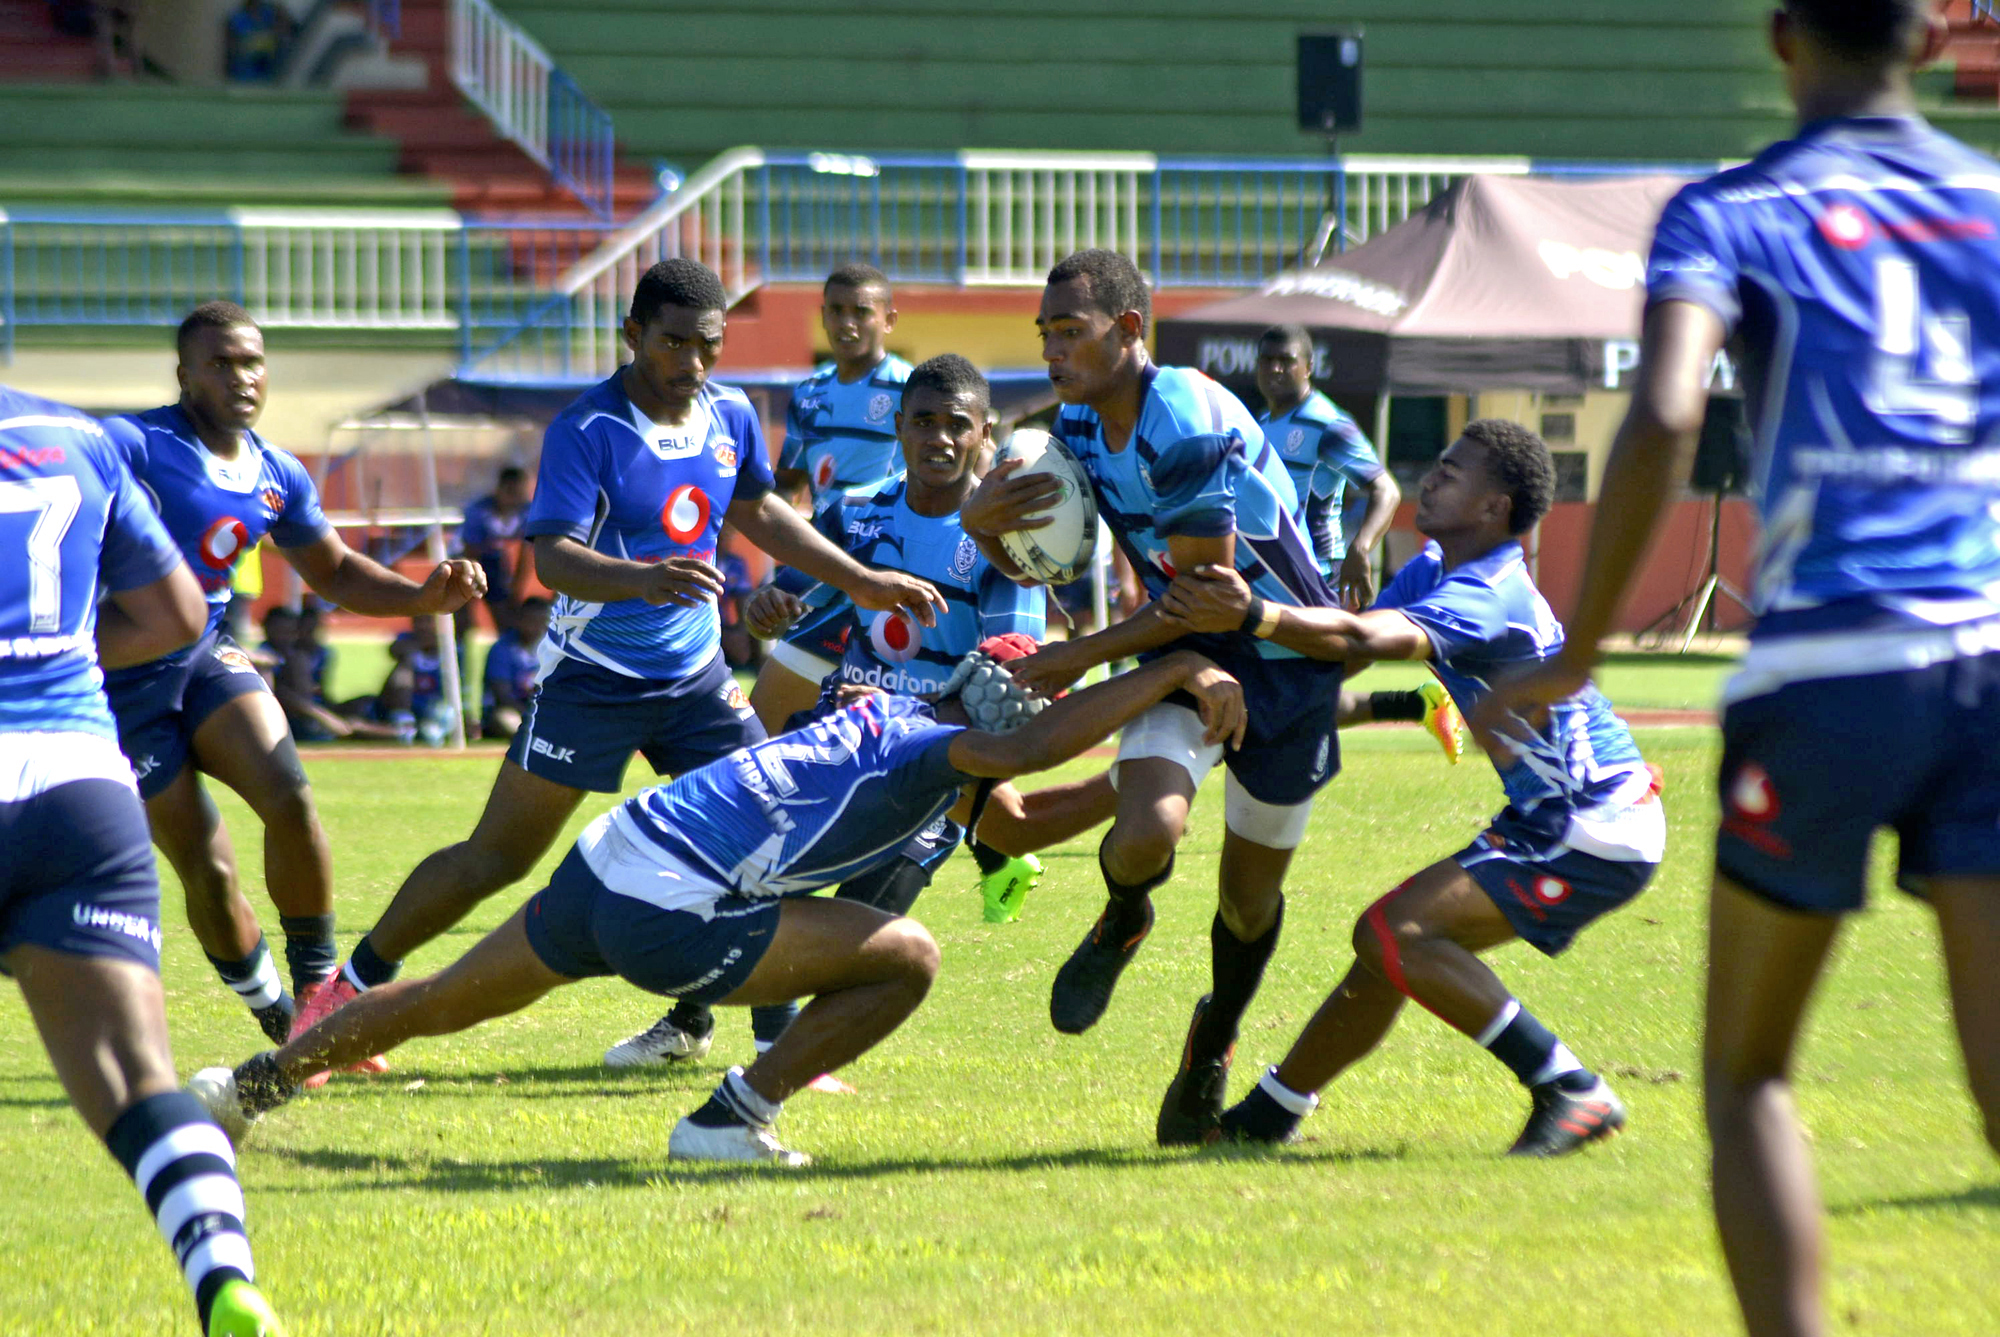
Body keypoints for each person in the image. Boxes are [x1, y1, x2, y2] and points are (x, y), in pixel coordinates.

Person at [1478, 4, 2000, 1331]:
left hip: (1830, 667)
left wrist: (1581, 648)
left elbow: (1664, 413)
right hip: (1989, 661)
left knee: (1752, 1078)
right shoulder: (1990, 202)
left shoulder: (1731, 211)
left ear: (1780, 37)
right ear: (1934, 41)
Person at [189, 641, 1246, 1167]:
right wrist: (1169, 674)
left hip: (613, 855)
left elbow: (1012, 816)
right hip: (666, 901)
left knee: (447, 999)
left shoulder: (903, 720)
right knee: (909, 954)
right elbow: (1017, 754)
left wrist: (1148, 773)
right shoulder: (946, 744)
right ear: (1002, 710)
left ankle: (247, 1086)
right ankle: (729, 1120)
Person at [290, 259, 946, 1073]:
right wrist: (645, 578)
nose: (693, 363)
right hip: (593, 681)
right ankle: (341, 996)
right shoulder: (588, 428)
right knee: (497, 857)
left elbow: (760, 511)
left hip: (700, 684)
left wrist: (860, 578)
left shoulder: (730, 414)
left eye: (708, 345)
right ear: (632, 335)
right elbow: (555, 557)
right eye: (674, 343)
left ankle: (767, 1045)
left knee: (769, 837)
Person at [1163, 421, 1661, 1156]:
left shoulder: (1493, 589)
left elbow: (1359, 642)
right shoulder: (1434, 569)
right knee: (1390, 950)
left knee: (1395, 930)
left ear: (1495, 506)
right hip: (1555, 816)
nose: (1430, 477)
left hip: (1593, 818)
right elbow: (1335, 655)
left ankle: (1570, 1086)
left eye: (1453, 472)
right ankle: (1271, 1112)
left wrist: (1251, 612)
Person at [960, 248, 1350, 1147]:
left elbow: (1203, 597)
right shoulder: (1080, 427)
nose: (1054, 351)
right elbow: (1033, 548)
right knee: (1142, 837)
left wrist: (1078, 656)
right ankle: (1125, 913)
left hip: (1283, 659)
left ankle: (1212, 1039)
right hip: (1183, 650)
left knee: (1248, 903)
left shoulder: (1184, 418)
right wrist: (983, 524)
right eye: (1045, 334)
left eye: (1072, 331)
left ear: (1128, 331)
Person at [604, 354, 1050, 1070]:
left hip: (929, 775)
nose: (939, 438)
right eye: (925, 421)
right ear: (899, 427)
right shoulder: (857, 512)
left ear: (985, 434)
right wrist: (770, 605)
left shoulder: (1003, 546)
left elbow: (1009, 687)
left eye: (957, 425)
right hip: (838, 751)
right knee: (747, 876)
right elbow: (788, 598)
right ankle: (691, 1022)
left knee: (855, 926)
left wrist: (905, 709)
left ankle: (786, 1068)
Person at [104, 302, 485, 1046]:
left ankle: (320, 994)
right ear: (184, 375)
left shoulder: (277, 472)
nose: (240, 377)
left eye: (251, 362)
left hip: (204, 659)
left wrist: (418, 595)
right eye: (219, 363)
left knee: (292, 796)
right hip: (119, 684)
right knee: (206, 867)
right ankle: (278, 1014)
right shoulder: (132, 444)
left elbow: (335, 568)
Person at [0, 386, 287, 1336]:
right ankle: (224, 1277)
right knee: (136, 1081)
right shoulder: (78, 434)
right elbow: (171, 613)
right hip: (82, 786)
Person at [1252, 323, 1463, 761]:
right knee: (1287, 700)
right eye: (1267, 360)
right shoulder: (1262, 422)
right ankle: (1417, 703)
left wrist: (1360, 549)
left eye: (1286, 361)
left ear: (1308, 367)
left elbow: (1384, 488)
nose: (1275, 369)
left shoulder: (1327, 424)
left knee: (1283, 700)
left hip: (1312, 577)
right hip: (1270, 574)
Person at [754, 263, 914, 731]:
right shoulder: (809, 394)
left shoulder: (913, 388)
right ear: (822, 317)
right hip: (824, 570)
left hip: (890, 569)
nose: (847, 323)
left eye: (861, 312)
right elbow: (788, 486)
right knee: (768, 731)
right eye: (837, 311)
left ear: (889, 319)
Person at [456, 465, 532, 634]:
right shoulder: (478, 511)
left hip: (494, 558)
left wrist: (516, 589)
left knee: (506, 617)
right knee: (462, 619)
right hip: (463, 559)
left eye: (520, 493)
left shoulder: (526, 512)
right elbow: (470, 552)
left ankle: (504, 650)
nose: (516, 499)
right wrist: (468, 594)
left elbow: (526, 554)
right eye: (511, 492)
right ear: (499, 489)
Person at [480, 596, 548, 740]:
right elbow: (502, 696)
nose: (535, 627)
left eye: (541, 622)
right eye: (530, 621)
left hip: (542, 711)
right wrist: (530, 715)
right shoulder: (502, 649)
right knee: (506, 721)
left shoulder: (553, 650)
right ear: (518, 620)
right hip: (513, 711)